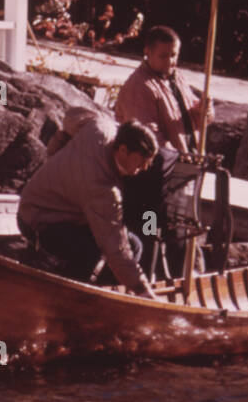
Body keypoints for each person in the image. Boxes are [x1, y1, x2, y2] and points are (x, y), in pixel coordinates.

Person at [17, 116, 160, 298]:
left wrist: (56, 148)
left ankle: (100, 295)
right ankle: (64, 301)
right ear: (123, 151)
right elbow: (114, 244)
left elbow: (72, 116)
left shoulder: (101, 127)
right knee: (90, 252)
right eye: (141, 162)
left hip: (66, 211)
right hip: (38, 217)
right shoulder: (101, 187)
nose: (145, 168)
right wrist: (142, 288)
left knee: (135, 245)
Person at [115, 25, 213, 153]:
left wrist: (202, 110)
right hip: (165, 165)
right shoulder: (138, 87)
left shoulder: (177, 77)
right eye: (163, 56)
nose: (170, 61)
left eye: (174, 55)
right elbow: (148, 138)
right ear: (147, 52)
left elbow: (195, 119)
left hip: (190, 155)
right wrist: (179, 159)